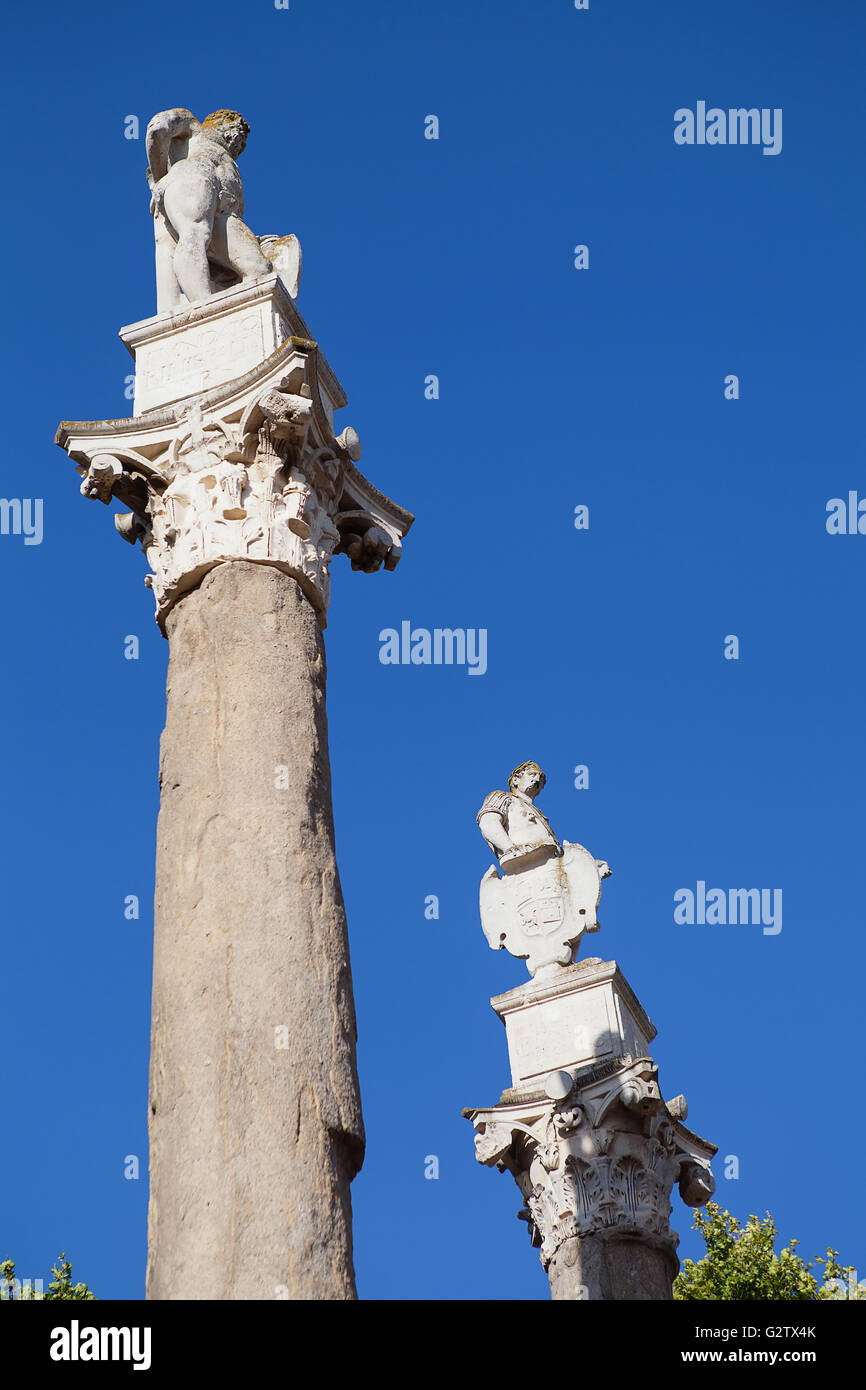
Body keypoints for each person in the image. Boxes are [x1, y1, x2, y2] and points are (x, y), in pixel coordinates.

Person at [145, 108, 271, 310]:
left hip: (224, 213)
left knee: (260, 269)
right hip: (193, 177)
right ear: (226, 124)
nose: (241, 145)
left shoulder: (229, 161)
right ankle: (203, 308)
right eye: (240, 134)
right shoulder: (195, 128)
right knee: (194, 234)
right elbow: (158, 126)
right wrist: (160, 180)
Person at [477, 761, 562, 867]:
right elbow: (488, 822)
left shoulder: (540, 815)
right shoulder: (503, 797)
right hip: (523, 862)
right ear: (516, 780)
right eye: (532, 774)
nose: (536, 780)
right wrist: (510, 849)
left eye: (540, 779)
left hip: (550, 863)